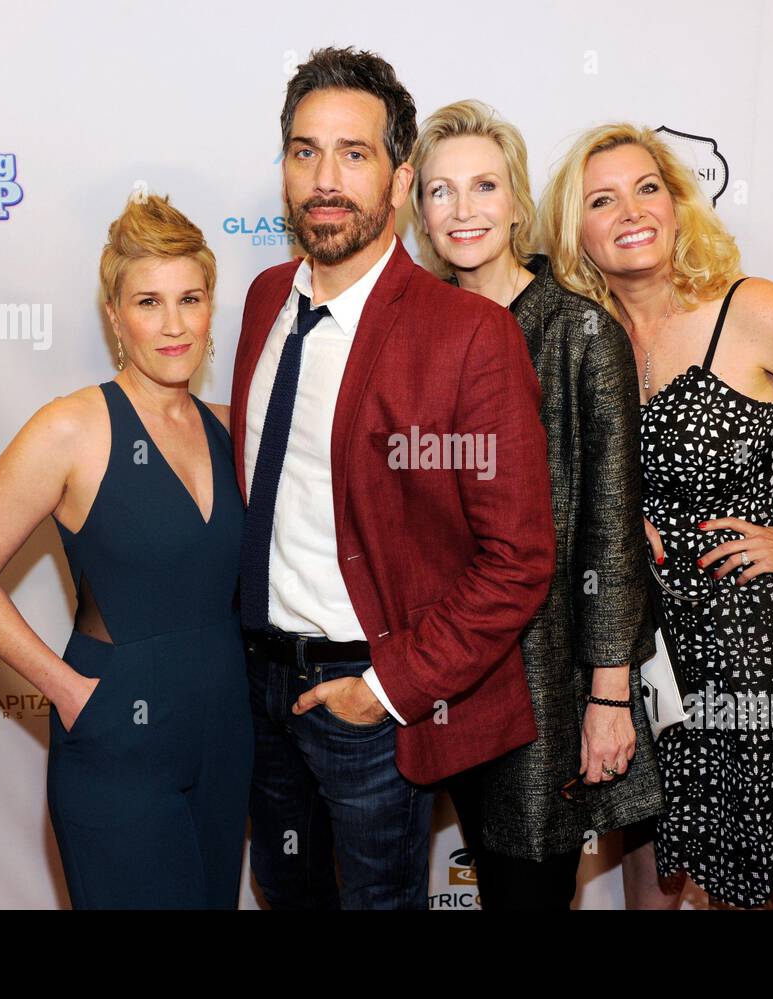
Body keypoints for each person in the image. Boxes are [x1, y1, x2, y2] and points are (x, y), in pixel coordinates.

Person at [541, 123, 773, 909]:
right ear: (577, 232)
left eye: (647, 188)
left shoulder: (749, 308)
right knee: (650, 859)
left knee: (748, 881)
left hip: (752, 646)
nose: (632, 210)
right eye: (603, 199)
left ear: (675, 202)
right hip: (631, 644)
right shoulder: (582, 335)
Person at [231, 48, 555, 910]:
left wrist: (387, 689)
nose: (325, 179)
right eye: (305, 152)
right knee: (286, 891)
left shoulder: (469, 336)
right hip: (260, 690)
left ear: (400, 178)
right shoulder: (264, 299)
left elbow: (518, 558)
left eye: (354, 153)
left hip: (368, 702)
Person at [0, 193, 251, 908]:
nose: (173, 324)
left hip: (226, 733)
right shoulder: (70, 429)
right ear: (115, 316)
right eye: (148, 301)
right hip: (116, 737)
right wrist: (69, 691)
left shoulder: (233, 427)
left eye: (190, 298)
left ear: (211, 309)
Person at [408, 99, 662, 908]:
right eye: (441, 191)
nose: (464, 209)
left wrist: (609, 695)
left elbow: (612, 531)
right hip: (436, 675)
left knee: (527, 895)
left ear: (518, 201)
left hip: (544, 687)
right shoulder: (414, 333)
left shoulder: (580, 333)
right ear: (418, 210)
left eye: (484, 186)